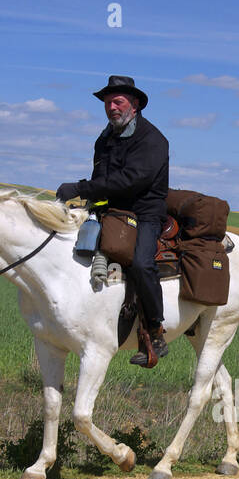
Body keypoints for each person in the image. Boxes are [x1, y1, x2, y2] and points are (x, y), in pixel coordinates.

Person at [57, 75, 170, 366]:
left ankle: (156, 328)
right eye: (107, 102)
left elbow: (130, 181)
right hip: (113, 209)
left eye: (117, 101)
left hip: (145, 212)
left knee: (143, 263)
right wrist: (88, 205)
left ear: (134, 104)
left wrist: (80, 188)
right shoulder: (104, 138)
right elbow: (102, 180)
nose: (111, 107)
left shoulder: (153, 140)